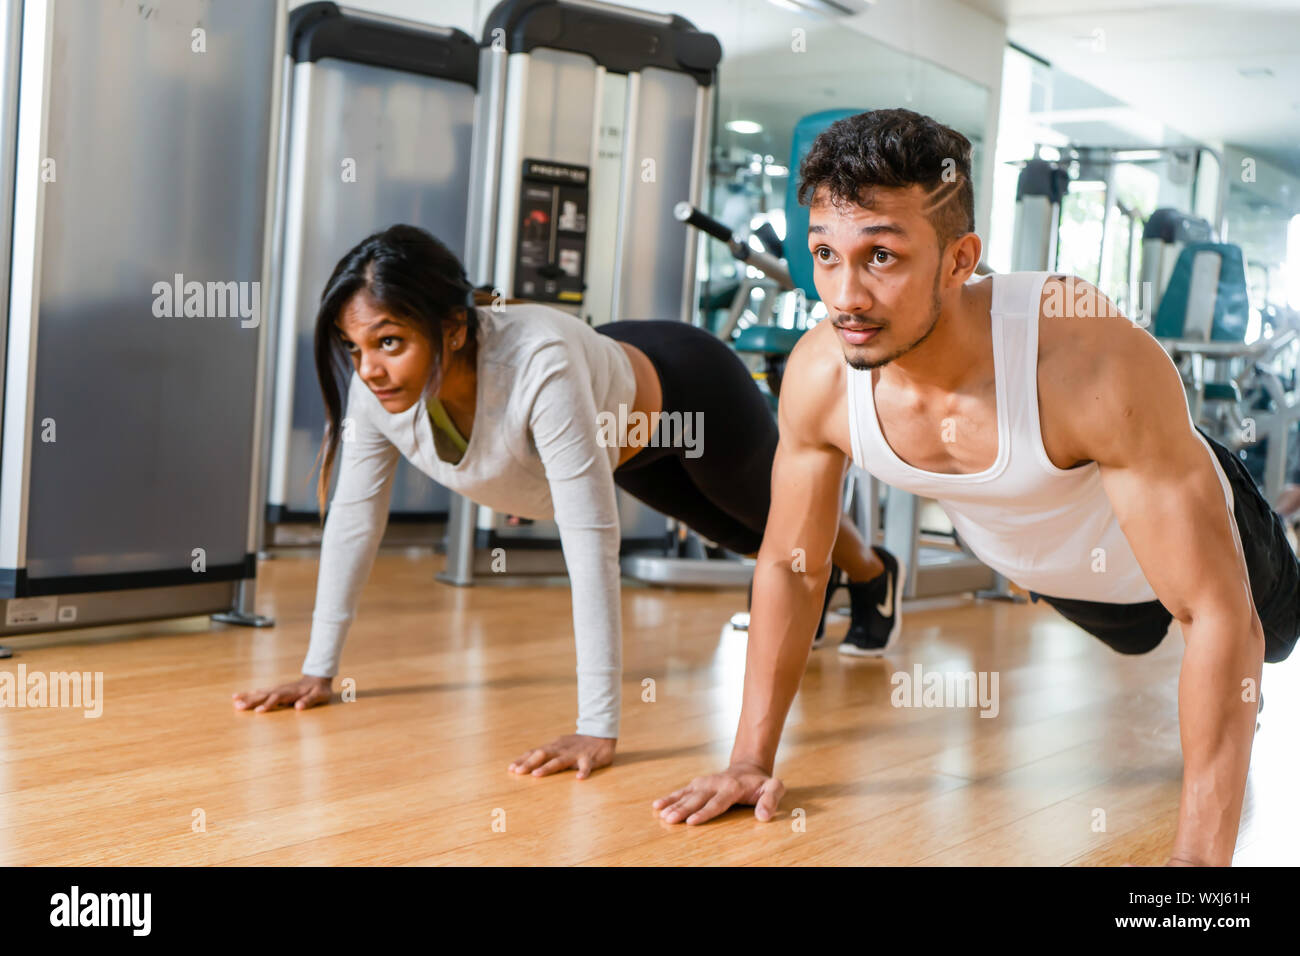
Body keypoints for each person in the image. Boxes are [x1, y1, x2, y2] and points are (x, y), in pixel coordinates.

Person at [652, 109, 1299, 867]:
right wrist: (748, 761)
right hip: (1066, 571)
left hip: (1208, 542)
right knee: (1135, 635)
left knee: (1272, 641)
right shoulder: (821, 377)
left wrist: (1195, 880)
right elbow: (793, 569)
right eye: (826, 252)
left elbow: (1218, 613)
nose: (845, 295)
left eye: (882, 256)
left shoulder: (1090, 364)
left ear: (960, 261)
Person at [231, 224, 904, 779]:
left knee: (782, 530)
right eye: (354, 347)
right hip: (621, 434)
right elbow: (355, 518)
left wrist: (596, 727)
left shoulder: (539, 363)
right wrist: (317, 672)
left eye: (389, 342)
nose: (369, 367)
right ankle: (825, 587)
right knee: (747, 543)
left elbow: (590, 539)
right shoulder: (375, 389)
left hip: (691, 389)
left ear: (455, 329)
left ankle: (873, 574)